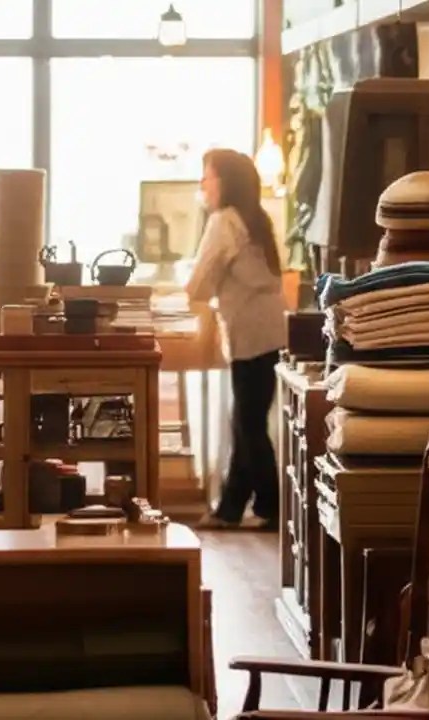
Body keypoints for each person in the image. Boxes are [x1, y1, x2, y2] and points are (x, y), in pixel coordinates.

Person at [186, 148, 288, 530]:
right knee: (245, 420)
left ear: (225, 182)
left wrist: (187, 293)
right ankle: (233, 507)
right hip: (267, 333)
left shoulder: (224, 221)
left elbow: (200, 281)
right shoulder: (253, 218)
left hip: (251, 334)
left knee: (247, 423)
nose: (203, 183)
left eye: (208, 176)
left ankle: (269, 505)